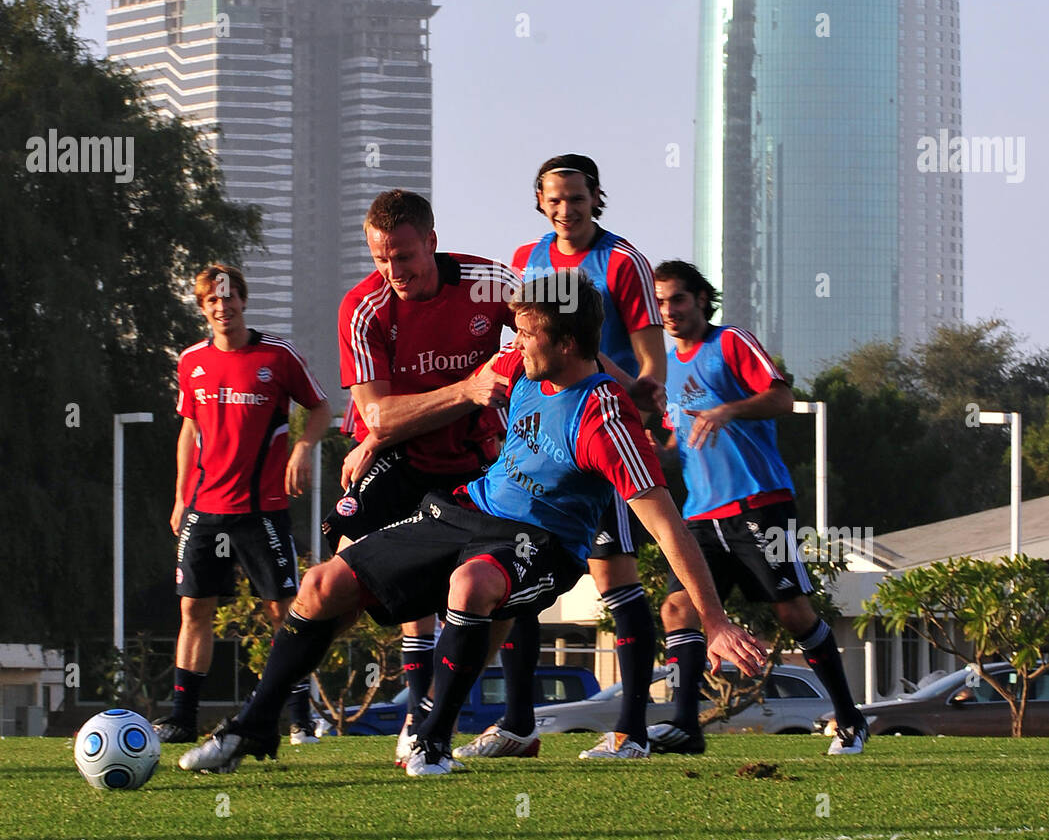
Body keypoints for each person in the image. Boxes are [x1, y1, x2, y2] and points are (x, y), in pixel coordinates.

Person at [179, 274, 766, 778]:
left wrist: (714, 621)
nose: (514, 341)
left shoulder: (605, 420)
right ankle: (253, 729)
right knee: (320, 586)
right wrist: (376, 438)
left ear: (563, 342)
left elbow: (668, 527)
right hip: (469, 511)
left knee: (472, 586)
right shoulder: (523, 363)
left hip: (543, 544)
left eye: (527, 331)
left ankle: (432, 742)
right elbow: (469, 390)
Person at [456, 154, 665, 761]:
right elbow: (519, 346)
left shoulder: (623, 262)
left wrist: (616, 381)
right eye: (555, 199)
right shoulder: (525, 260)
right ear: (540, 202)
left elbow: (651, 375)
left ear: (597, 198)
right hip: (536, 442)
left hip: (599, 437)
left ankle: (632, 732)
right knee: (516, 578)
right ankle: (519, 727)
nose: (566, 209)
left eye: (577, 198)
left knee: (613, 577)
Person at [646, 260, 870, 757]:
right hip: (701, 515)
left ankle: (850, 719)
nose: (669, 310)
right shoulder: (662, 364)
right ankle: (685, 727)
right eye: (660, 302)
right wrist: (654, 451)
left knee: (792, 613)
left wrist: (729, 408)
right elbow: (680, 442)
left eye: (678, 299)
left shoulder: (731, 343)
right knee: (679, 607)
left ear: (702, 299)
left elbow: (782, 398)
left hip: (759, 504)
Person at [320, 189, 515, 758]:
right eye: (380, 258)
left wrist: (620, 388)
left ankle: (437, 716)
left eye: (403, 256)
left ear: (431, 242)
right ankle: (282, 703)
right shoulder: (363, 306)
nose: (392, 270)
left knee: (506, 587)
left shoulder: (489, 281)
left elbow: (546, 333)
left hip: (473, 459)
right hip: (395, 455)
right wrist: (464, 391)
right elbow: (378, 411)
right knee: (336, 579)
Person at [155, 264, 331, 745]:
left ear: (243, 301)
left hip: (262, 510)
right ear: (202, 306)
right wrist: (180, 497)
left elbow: (320, 407)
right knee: (194, 610)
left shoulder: (277, 355)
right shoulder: (190, 360)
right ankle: (182, 719)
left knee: (286, 613)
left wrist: (302, 448)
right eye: (212, 299)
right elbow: (188, 431)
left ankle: (300, 719)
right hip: (204, 510)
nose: (222, 306)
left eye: (230, 297)